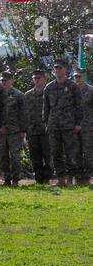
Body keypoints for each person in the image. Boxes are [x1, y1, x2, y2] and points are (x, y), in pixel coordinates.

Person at [44, 59, 79, 187]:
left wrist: (78, 123)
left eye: (60, 68)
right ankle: (61, 179)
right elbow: (46, 108)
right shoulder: (49, 87)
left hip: (69, 125)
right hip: (54, 125)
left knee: (70, 152)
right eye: (56, 68)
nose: (57, 70)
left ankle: (70, 179)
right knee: (56, 153)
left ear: (65, 70)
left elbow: (78, 106)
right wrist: (46, 123)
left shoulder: (72, 86)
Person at [0, 71, 26, 186]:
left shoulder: (18, 95)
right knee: (2, 156)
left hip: (15, 131)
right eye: (2, 80)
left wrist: (23, 130)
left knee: (15, 156)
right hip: (1, 131)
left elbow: (23, 113)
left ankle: (15, 179)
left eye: (6, 80)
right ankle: (6, 178)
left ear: (11, 81)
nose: (3, 82)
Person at [23, 70, 51, 185]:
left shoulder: (49, 92)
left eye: (39, 78)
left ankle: (47, 178)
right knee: (35, 156)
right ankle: (38, 179)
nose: (37, 80)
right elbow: (24, 113)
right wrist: (24, 129)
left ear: (45, 79)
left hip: (46, 130)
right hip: (32, 130)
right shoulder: (28, 95)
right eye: (35, 78)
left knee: (48, 155)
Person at [75, 70, 93, 186]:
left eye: (79, 76)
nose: (77, 78)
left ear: (84, 77)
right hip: (73, 127)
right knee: (75, 152)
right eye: (75, 76)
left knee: (88, 152)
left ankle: (88, 177)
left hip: (88, 126)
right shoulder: (71, 90)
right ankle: (78, 177)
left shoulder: (91, 90)